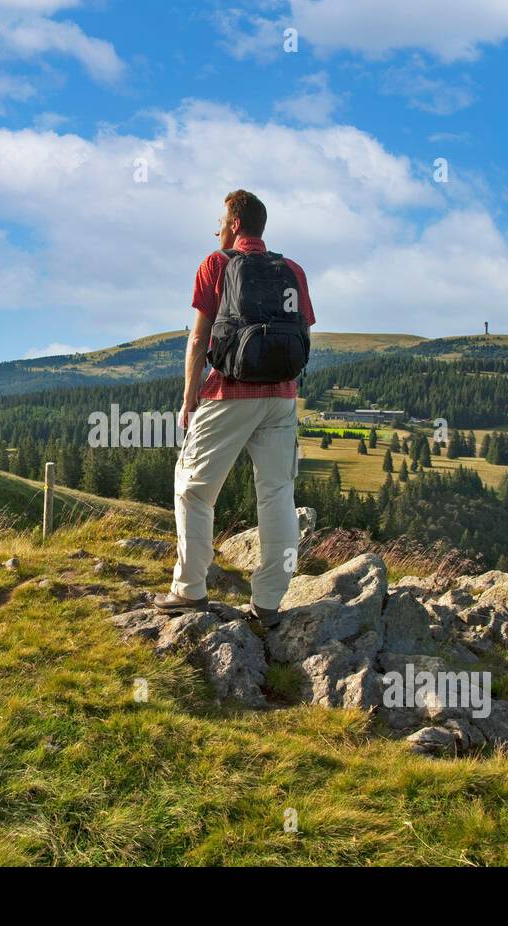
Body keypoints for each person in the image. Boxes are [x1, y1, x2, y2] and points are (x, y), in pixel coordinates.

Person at [151, 189, 316, 627]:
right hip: (282, 396)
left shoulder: (216, 264)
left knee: (194, 490)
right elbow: (303, 330)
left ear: (236, 224)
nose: (218, 229)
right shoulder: (293, 270)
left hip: (229, 392)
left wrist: (189, 398)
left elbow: (199, 338)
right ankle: (267, 605)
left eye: (221, 222)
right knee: (278, 494)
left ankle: (189, 591)